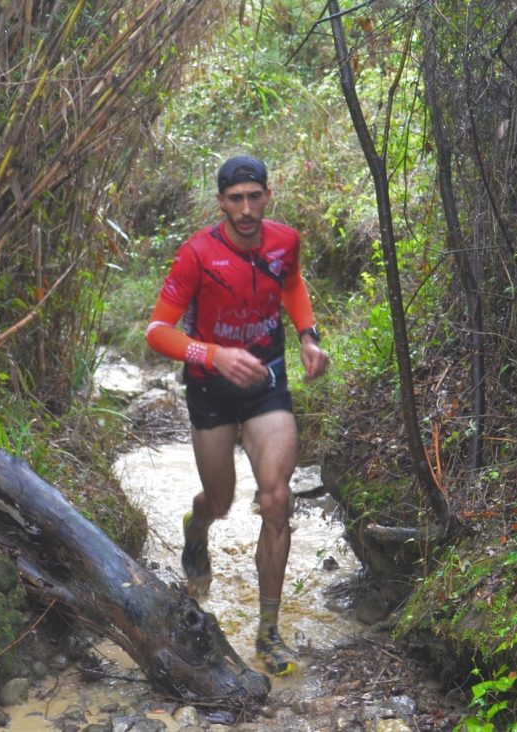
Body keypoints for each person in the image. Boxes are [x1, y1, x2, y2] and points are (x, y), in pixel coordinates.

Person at [145, 155, 329, 676]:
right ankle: (196, 525)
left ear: (267, 195)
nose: (246, 209)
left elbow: (289, 283)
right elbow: (158, 330)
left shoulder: (285, 240)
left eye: (254, 196)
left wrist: (307, 337)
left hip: (267, 382)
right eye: (235, 199)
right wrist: (214, 354)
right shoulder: (197, 255)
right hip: (211, 388)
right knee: (221, 501)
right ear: (221, 202)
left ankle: (269, 631)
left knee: (276, 499)